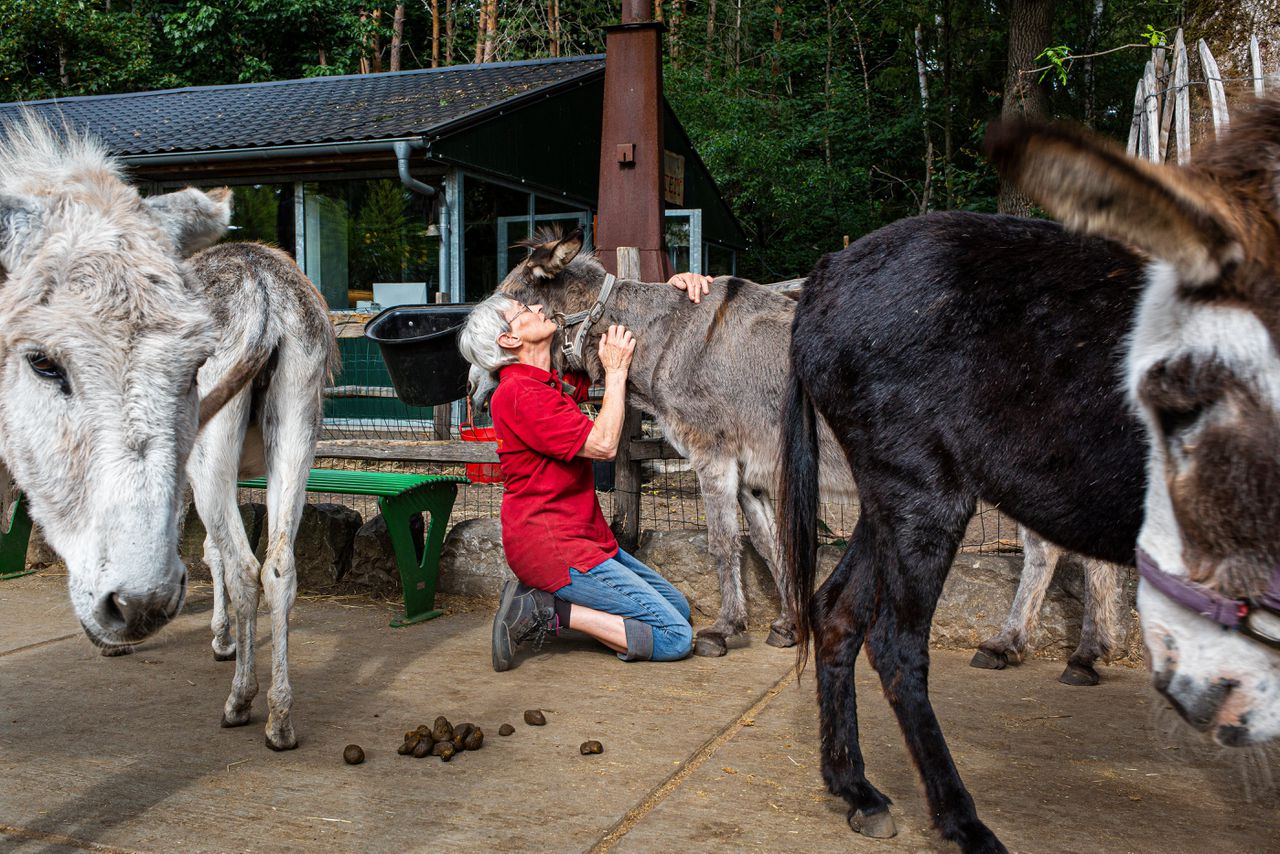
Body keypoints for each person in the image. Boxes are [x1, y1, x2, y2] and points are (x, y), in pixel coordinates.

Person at [458, 273, 713, 671]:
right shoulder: (521, 395)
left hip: (585, 542)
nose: (540, 307)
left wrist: (673, 287)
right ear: (509, 341)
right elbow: (604, 445)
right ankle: (547, 610)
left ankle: (554, 603)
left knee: (680, 608)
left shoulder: (544, 385)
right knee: (674, 636)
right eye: (525, 310)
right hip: (556, 549)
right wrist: (615, 374)